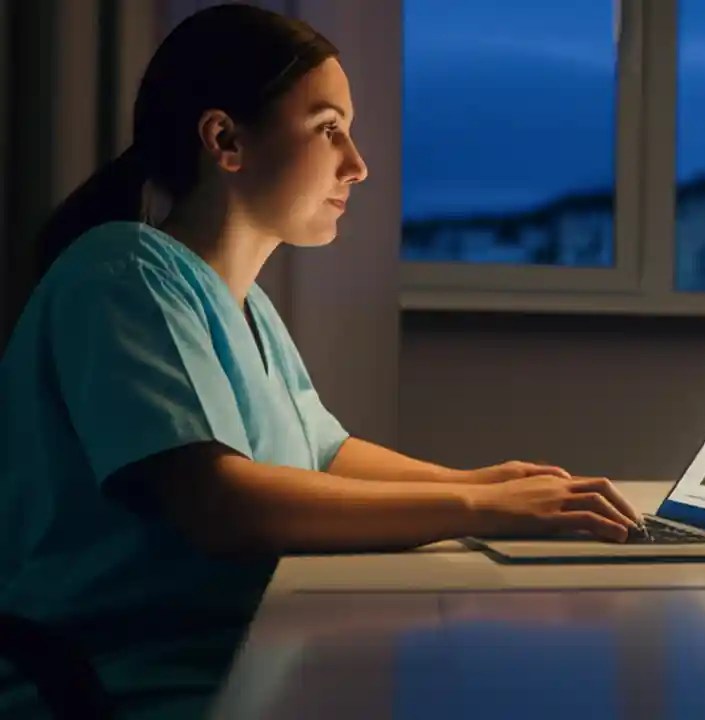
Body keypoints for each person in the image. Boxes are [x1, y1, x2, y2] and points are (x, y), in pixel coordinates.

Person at [0, 4, 641, 717]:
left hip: (237, 658)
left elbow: (324, 451)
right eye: (329, 129)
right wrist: (479, 506)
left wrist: (481, 482)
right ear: (225, 139)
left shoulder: (243, 306)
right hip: (128, 686)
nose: (358, 166)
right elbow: (221, 504)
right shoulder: (124, 271)